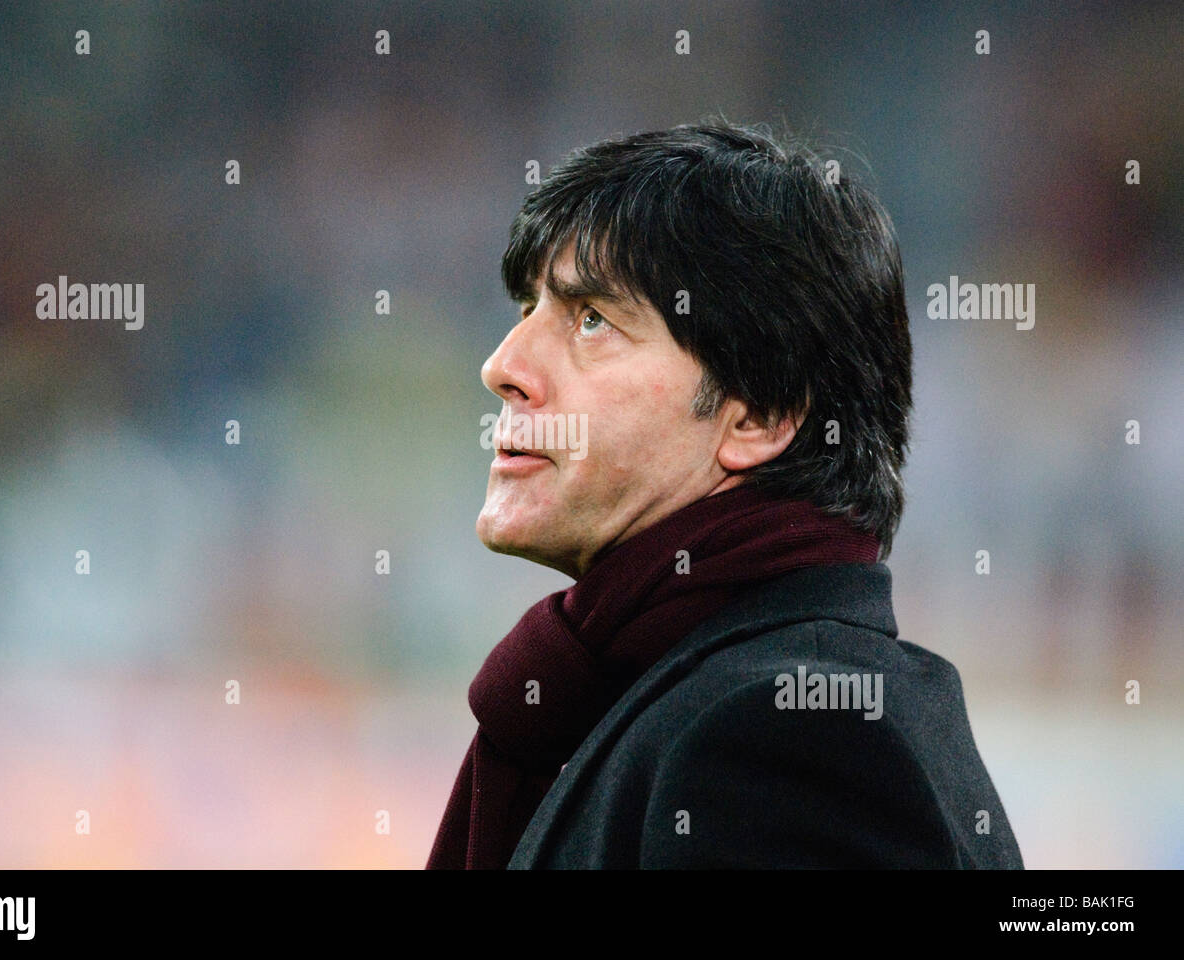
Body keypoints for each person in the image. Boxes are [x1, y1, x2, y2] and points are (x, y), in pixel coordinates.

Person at [426, 118, 1023, 869]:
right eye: (526, 310)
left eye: (592, 319)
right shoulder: (689, 694)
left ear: (758, 416)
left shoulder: (787, 735)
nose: (502, 365)